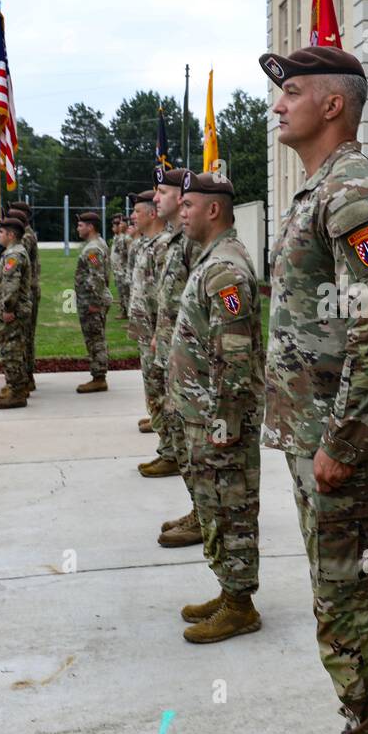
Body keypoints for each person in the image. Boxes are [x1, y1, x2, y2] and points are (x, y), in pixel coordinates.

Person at [259, 45, 368, 734]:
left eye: (292, 91)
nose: (277, 103)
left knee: (354, 607)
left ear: (333, 105)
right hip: (315, 439)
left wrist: (345, 442)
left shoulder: (352, 196)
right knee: (341, 600)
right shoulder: (318, 192)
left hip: (341, 448)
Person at [167, 171, 266, 641]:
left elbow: (235, 354)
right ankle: (230, 591)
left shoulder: (224, 269)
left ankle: (241, 605)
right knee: (215, 506)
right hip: (203, 415)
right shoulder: (211, 261)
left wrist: (223, 422)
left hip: (219, 419)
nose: (181, 214)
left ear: (213, 210)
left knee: (230, 507)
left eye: (188, 205)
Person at [147, 168, 206, 533]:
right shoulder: (174, 240)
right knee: (180, 436)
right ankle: (199, 510)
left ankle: (205, 514)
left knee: (193, 442)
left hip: (190, 364)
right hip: (172, 355)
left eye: (163, 192)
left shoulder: (192, 242)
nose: (156, 199)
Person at [125, 189, 166, 435]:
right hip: (145, 327)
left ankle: (167, 441)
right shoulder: (146, 244)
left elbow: (167, 294)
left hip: (155, 329)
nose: (132, 216)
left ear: (152, 214)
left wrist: (158, 330)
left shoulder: (162, 246)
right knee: (151, 379)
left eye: (137, 211)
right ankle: (157, 417)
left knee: (159, 381)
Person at [0, 215, 34, 410]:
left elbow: (11, 285)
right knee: (14, 348)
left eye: (1, 232)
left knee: (10, 350)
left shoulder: (14, 255)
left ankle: (16, 391)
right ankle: (18, 386)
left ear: (11, 234)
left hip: (12, 311)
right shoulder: (13, 252)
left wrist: (8, 309)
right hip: (15, 309)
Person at [73, 211, 111, 393]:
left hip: (91, 302)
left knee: (95, 339)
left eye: (81, 225)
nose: (78, 228)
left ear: (91, 227)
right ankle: (98, 374)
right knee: (96, 337)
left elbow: (96, 277)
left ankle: (99, 377)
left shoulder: (93, 249)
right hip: (91, 301)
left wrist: (95, 302)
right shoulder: (97, 244)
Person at [6, 201, 40, 393]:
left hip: (27, 291)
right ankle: (24, 377)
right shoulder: (23, 234)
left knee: (25, 337)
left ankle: (25, 377)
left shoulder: (26, 237)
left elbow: (12, 254)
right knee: (23, 336)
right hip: (23, 290)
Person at [110, 215, 131, 317]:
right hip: (118, 269)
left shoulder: (125, 238)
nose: (119, 226)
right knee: (121, 291)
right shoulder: (117, 237)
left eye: (122, 224)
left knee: (125, 292)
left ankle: (126, 312)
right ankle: (124, 309)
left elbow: (127, 254)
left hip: (123, 269)